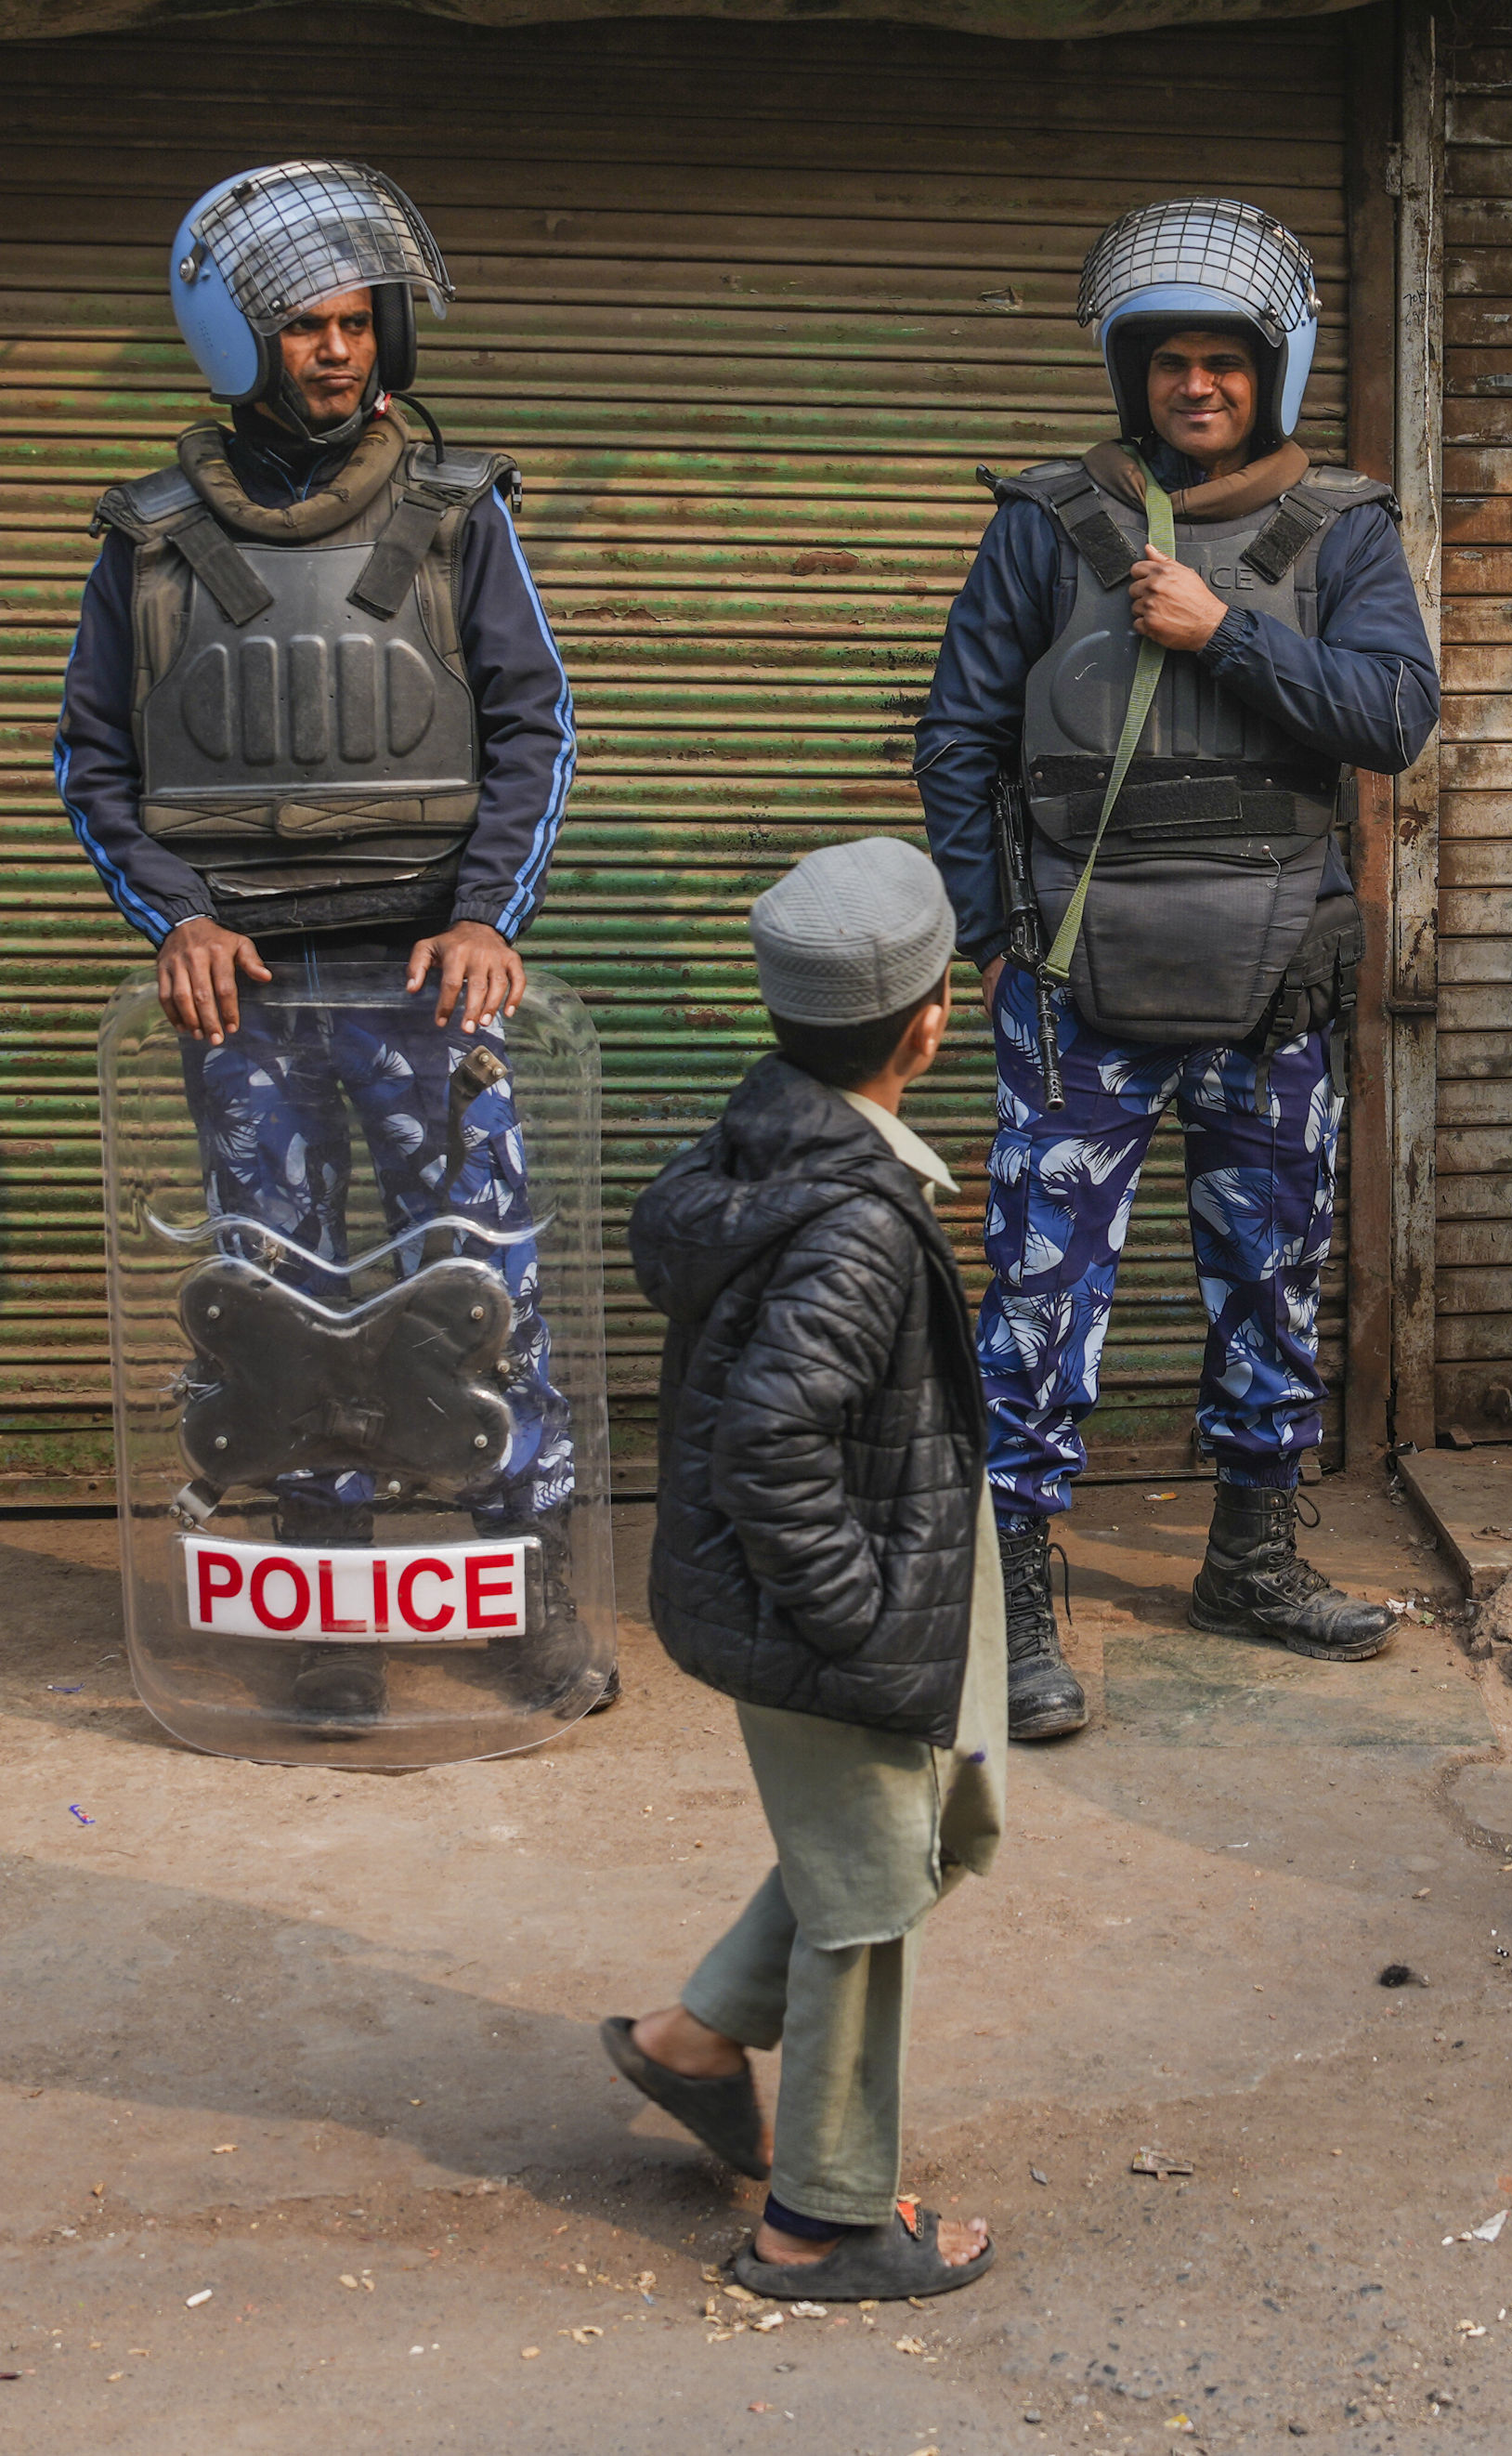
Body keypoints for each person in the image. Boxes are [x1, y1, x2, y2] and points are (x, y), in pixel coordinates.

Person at [53, 160, 584, 1724]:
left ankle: (526, 1576)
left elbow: (533, 725)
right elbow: (90, 757)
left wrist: (489, 910)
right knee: (285, 1294)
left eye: (358, 321)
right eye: (303, 327)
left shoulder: (453, 515)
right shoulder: (149, 539)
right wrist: (179, 912)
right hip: (251, 998)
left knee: (482, 1282)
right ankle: (330, 1599)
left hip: (428, 979)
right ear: (238, 342)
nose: (338, 351)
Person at [915, 199, 1440, 1740]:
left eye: (1223, 362)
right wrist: (985, 930)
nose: (1194, 386)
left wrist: (1223, 634)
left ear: (1269, 376)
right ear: (1132, 374)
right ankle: (1013, 1594)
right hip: (1080, 981)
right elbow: (960, 732)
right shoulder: (1048, 519)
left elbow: (1393, 715)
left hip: (1274, 983)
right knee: (1038, 1296)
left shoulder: (1344, 529)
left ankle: (1252, 1559)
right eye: (1169, 363)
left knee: (1269, 1277)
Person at [606, 837, 1007, 2303]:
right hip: (833, 1606)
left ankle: (696, 2040)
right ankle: (821, 2222)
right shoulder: (852, 1220)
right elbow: (774, 1437)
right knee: (865, 1905)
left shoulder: (779, 1154)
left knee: (930, 1842)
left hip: (857, 1582)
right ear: (927, 1024)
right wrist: (853, 1615)